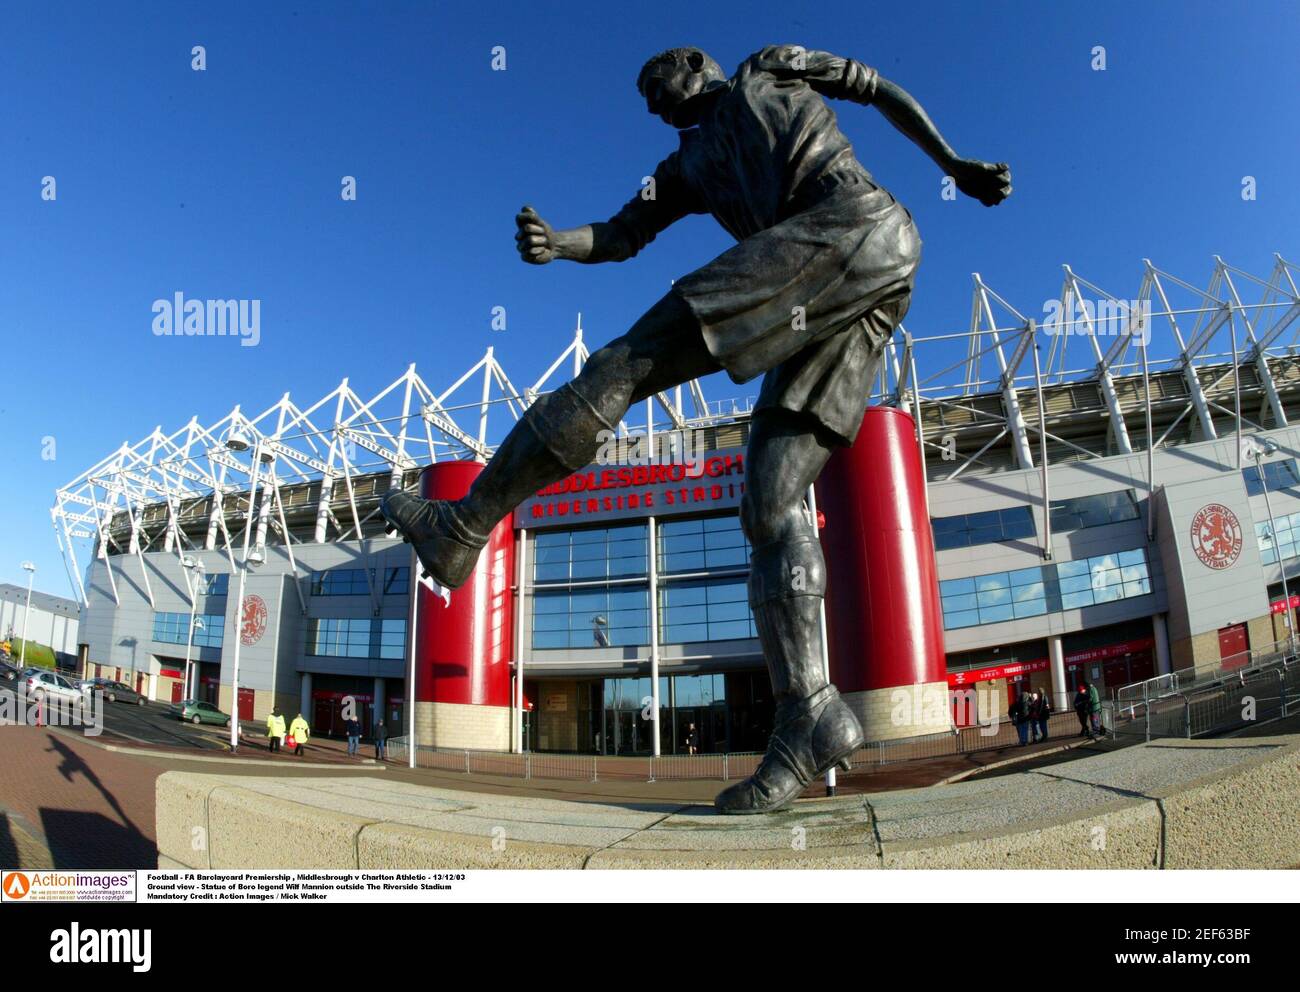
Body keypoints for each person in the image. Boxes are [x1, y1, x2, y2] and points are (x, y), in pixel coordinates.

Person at [379, 44, 1010, 815]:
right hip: (866, 274)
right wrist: (561, 245)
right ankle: (808, 713)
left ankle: (466, 525)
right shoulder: (678, 171)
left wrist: (953, 162)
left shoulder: (767, 67)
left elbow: (875, 89)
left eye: (656, 86)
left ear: (694, 65)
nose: (652, 105)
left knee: (621, 365)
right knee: (770, 505)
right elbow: (621, 232)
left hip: (845, 225)